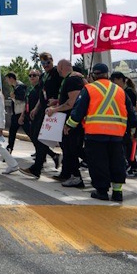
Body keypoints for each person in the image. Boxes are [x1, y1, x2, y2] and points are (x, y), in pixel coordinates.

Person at [65, 63, 137, 201]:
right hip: (117, 134)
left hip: (96, 133)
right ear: (107, 75)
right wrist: (133, 129)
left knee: (99, 163)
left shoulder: (89, 89)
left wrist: (69, 125)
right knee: (117, 162)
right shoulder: (120, 90)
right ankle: (117, 192)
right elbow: (131, 113)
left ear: (93, 75)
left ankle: (102, 191)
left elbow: (78, 111)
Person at [47, 59, 87, 188]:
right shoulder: (73, 79)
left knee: (73, 149)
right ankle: (69, 174)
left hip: (72, 122)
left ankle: (76, 177)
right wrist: (57, 101)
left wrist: (55, 109)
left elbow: (73, 102)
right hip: (73, 121)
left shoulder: (72, 80)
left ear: (61, 68)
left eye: (58, 68)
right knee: (68, 148)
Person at [18, 69, 61, 179]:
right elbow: (27, 103)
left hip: (41, 118)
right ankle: (51, 157)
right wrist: (23, 115)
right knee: (37, 141)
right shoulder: (31, 89)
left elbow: (43, 101)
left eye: (34, 75)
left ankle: (39, 166)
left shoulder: (41, 88)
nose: (32, 77)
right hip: (32, 118)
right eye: (30, 75)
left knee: (39, 141)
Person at [110, 71, 137, 178]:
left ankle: (133, 166)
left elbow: (129, 108)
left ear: (120, 80)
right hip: (125, 122)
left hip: (129, 122)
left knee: (128, 145)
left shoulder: (128, 92)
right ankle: (131, 166)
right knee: (126, 145)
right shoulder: (124, 91)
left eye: (114, 81)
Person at [4, 72, 27, 152]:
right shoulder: (16, 87)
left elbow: (22, 99)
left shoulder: (20, 86)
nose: (7, 82)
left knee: (30, 133)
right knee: (12, 132)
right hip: (16, 113)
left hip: (21, 114)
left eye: (7, 79)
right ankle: (9, 148)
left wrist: (13, 97)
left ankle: (42, 151)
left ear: (11, 78)